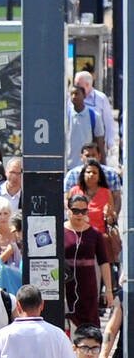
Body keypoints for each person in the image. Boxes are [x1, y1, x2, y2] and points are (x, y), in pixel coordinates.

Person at [64, 192, 114, 331]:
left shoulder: (95, 233)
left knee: (90, 328)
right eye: (75, 210)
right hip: (65, 286)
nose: (79, 214)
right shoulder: (60, 231)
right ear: (68, 210)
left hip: (88, 287)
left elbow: (104, 262)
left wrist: (109, 290)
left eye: (83, 210)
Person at [64, 141, 121, 217]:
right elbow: (66, 199)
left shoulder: (111, 174)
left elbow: (116, 198)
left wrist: (113, 217)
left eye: (93, 155)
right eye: (87, 155)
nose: (90, 158)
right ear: (81, 157)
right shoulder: (72, 175)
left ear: (99, 156)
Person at [74, 69, 117, 162]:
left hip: (95, 145)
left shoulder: (100, 99)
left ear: (87, 85)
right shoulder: (72, 99)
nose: (75, 87)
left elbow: (109, 123)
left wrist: (110, 144)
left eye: (78, 85)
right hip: (76, 146)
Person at [68, 158, 115, 239]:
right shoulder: (74, 191)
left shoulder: (106, 193)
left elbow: (111, 220)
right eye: (88, 172)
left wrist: (109, 216)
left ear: (99, 176)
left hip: (99, 239)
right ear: (83, 174)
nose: (91, 175)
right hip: (77, 238)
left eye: (94, 172)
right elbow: (68, 215)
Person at [66, 83, 106, 168]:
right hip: (69, 165)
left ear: (84, 95)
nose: (74, 96)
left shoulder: (94, 116)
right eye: (72, 94)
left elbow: (100, 142)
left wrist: (103, 165)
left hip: (88, 165)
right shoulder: (66, 116)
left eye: (77, 94)